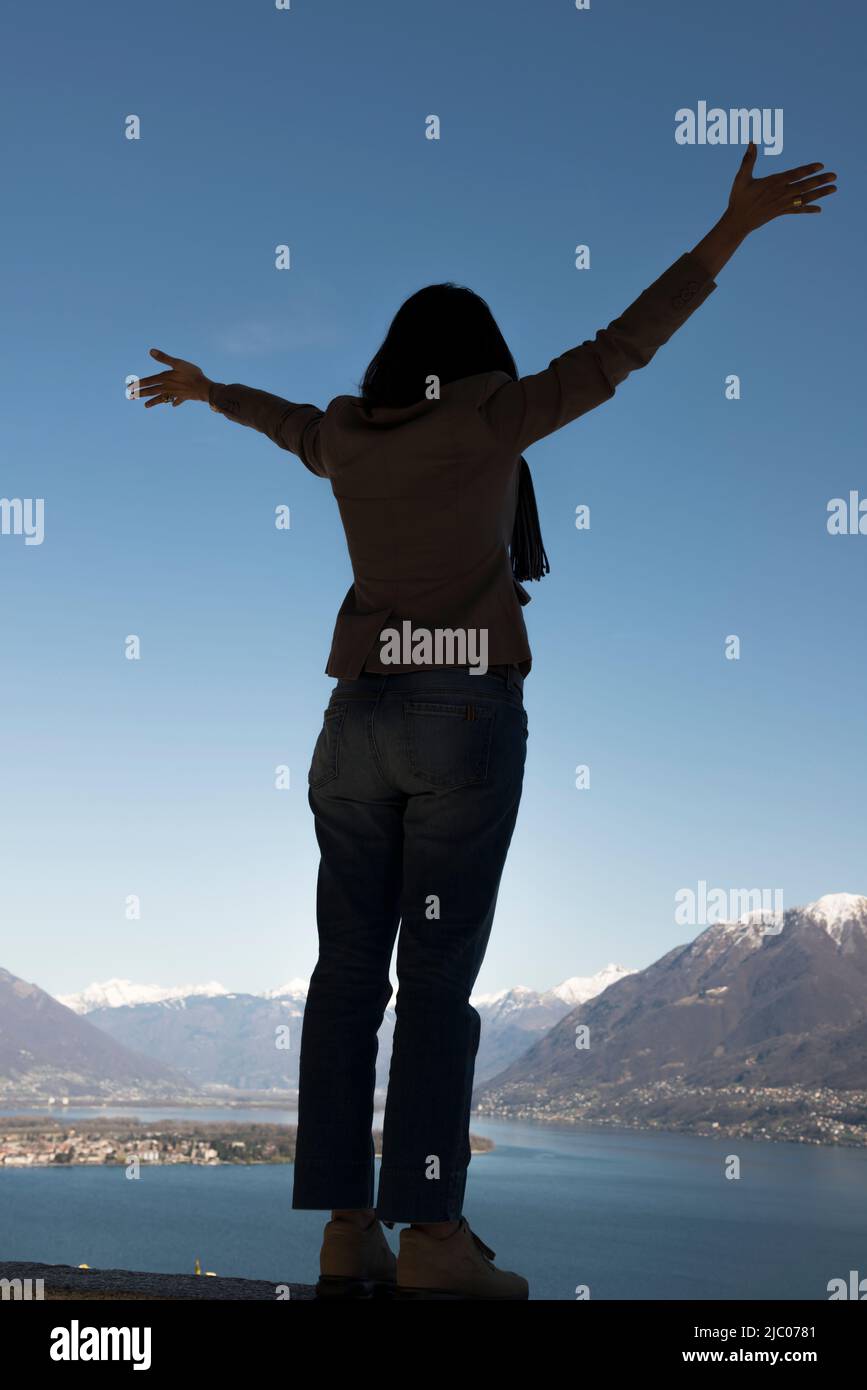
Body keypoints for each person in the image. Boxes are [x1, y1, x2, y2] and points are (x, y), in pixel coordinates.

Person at [135, 143, 836, 1299]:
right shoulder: (494, 420)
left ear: (393, 358)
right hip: (461, 714)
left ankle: (343, 1231)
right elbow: (621, 349)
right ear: (477, 360)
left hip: (352, 724)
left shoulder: (352, 438)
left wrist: (209, 389)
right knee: (437, 987)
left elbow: (289, 425)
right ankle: (434, 1242)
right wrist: (731, 232)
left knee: (345, 978)